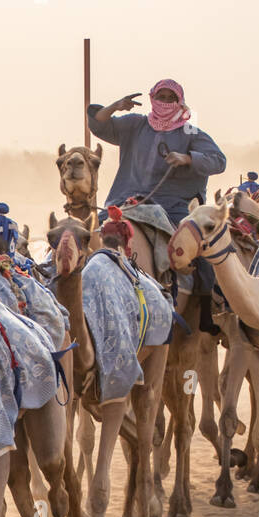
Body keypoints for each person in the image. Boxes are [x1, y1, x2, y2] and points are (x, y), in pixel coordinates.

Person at [87, 79, 227, 334]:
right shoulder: (135, 125)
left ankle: (207, 307)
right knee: (85, 236)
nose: (164, 102)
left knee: (195, 246)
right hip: (125, 200)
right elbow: (98, 123)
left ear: (179, 102)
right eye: (159, 96)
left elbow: (218, 161)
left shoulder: (189, 133)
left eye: (170, 97)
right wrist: (116, 106)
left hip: (171, 204)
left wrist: (187, 159)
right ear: (152, 97)